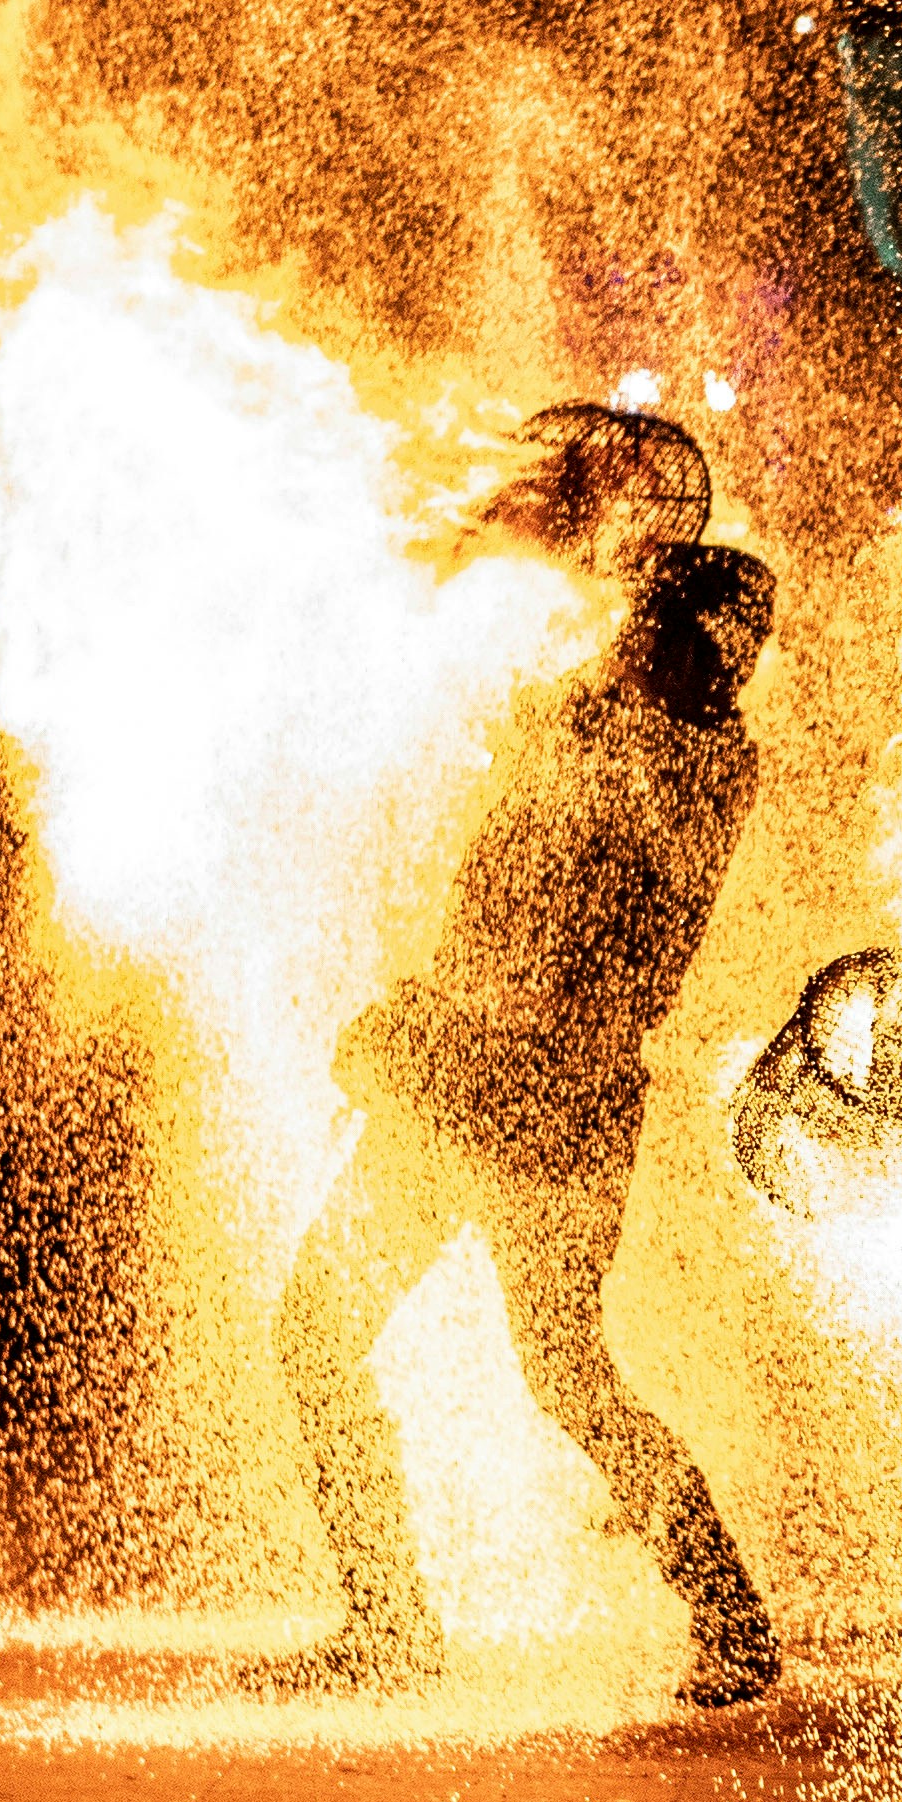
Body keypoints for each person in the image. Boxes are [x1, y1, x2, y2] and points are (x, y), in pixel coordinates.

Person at [260, 449, 786, 1709]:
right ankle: (715, 1610)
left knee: (377, 1338)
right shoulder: (670, 746)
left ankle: (404, 1620)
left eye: (650, 622)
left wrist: (401, 1037)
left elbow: (534, 956)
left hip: (502, 1095)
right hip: (547, 1105)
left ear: (685, 648)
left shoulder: (655, 759)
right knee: (544, 1364)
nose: (627, 633)